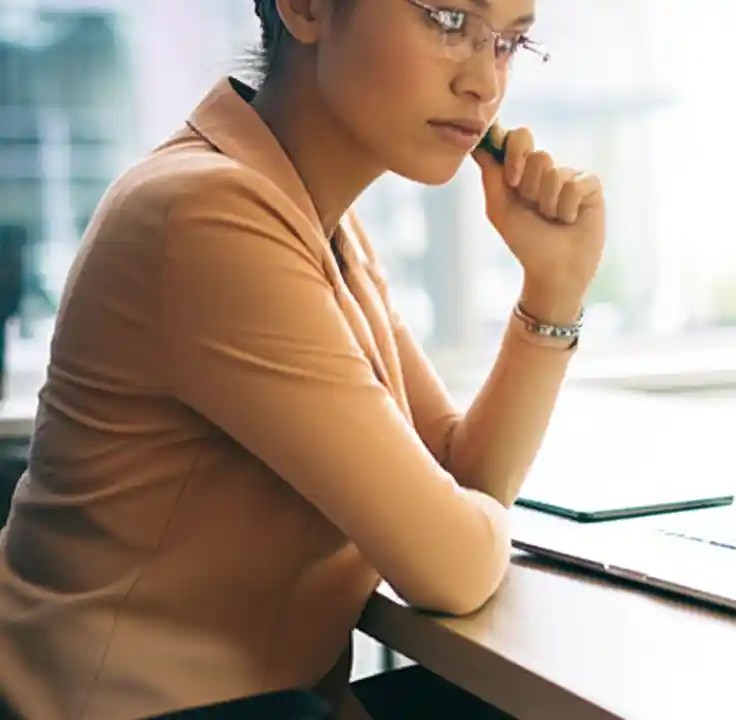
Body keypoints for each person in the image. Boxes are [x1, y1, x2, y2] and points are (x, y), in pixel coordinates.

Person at [0, 0, 605, 717]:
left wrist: (554, 293)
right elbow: (453, 566)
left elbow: (462, 477)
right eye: (448, 20)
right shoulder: (207, 216)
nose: (485, 84)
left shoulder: (315, 220)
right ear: (309, 8)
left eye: (508, 43)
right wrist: (456, 526)